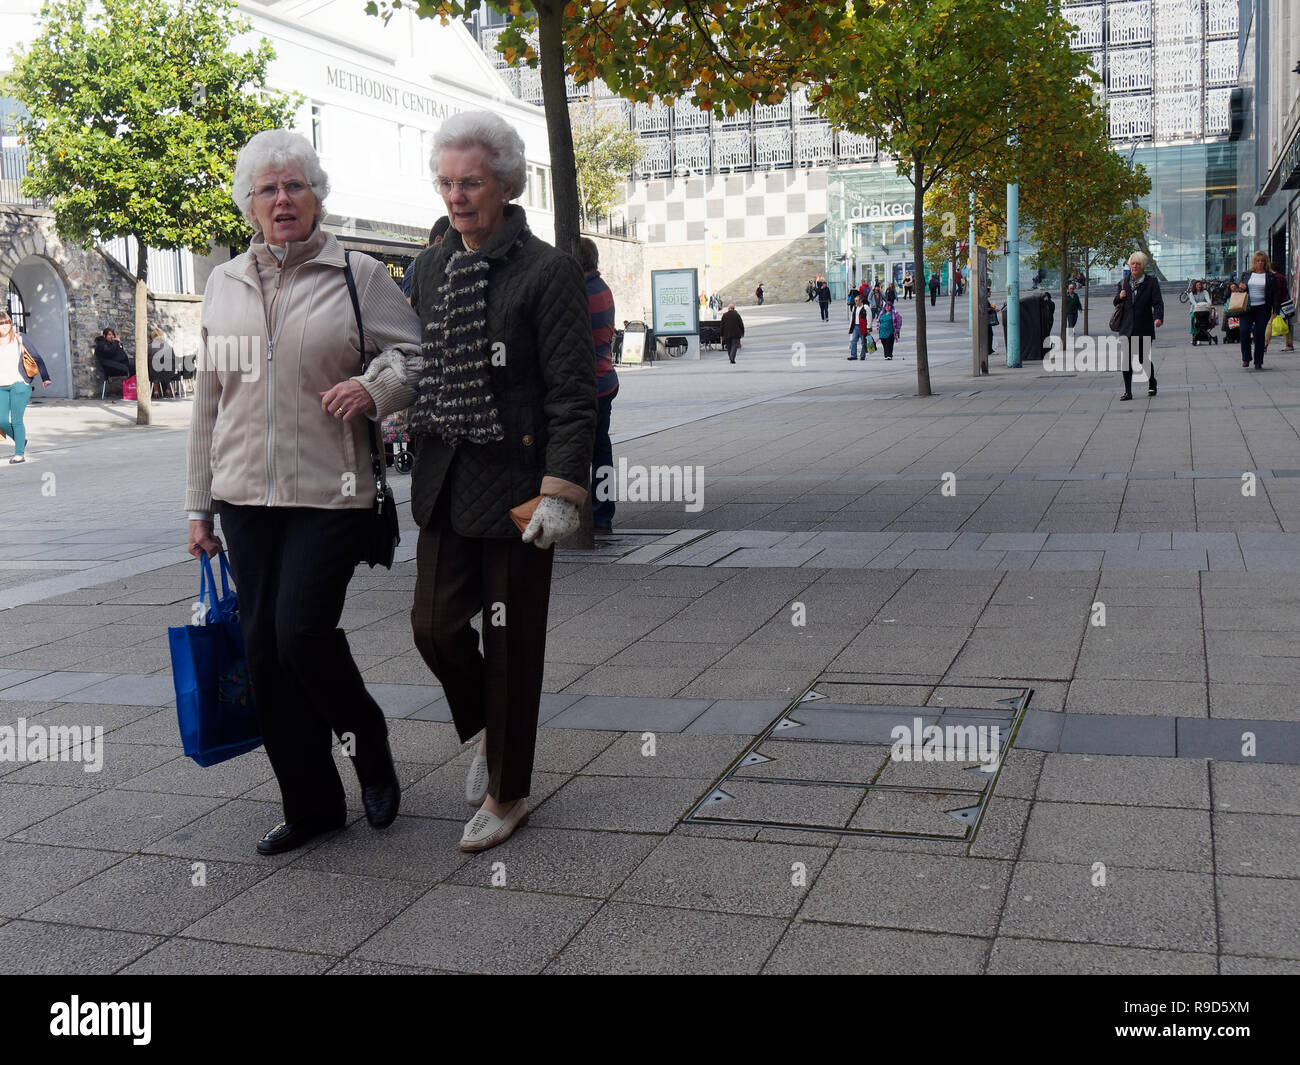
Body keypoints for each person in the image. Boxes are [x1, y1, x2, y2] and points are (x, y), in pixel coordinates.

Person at [358, 110, 595, 854]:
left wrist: (562, 488)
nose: (457, 195)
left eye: (472, 182)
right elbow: (417, 360)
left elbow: (571, 390)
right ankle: (490, 730)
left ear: (505, 184)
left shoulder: (547, 271)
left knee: (513, 643)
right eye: (448, 182)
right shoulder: (429, 266)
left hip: (521, 486)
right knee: (433, 627)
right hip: (445, 476)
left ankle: (508, 790)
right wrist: (381, 385)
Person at [185, 129, 422, 856]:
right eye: (268, 189)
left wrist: (373, 386)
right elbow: (207, 399)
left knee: (300, 634)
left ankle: (368, 743)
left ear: (316, 196)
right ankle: (313, 803)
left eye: (295, 186)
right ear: (249, 204)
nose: (282, 199)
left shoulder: (358, 274)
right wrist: (198, 504)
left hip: (331, 488)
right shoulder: (223, 283)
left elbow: (414, 355)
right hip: (244, 496)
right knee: (262, 653)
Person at [580, 238, 618, 534]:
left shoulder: (581, 293)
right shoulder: (602, 288)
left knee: (587, 450)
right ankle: (602, 512)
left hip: (590, 383)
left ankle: (597, 513)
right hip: (605, 379)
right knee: (601, 450)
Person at [0, 311, 52, 463]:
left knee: (16, 420)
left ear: (10, 323)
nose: (4, 327)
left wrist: (45, 377)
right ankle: (20, 440)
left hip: (19, 384)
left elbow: (36, 357)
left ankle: (19, 454)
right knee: (1, 420)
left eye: (7, 323)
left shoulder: (19, 338)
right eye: (1, 324)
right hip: (1, 386)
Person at [1112, 249, 1163, 399]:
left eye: (1138, 264)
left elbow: (1158, 303)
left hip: (1144, 326)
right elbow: (1115, 302)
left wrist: (1158, 318)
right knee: (1126, 360)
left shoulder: (1151, 282)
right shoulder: (1123, 282)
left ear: (1143, 266)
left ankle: (1152, 383)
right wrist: (1120, 297)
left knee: (1142, 359)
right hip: (1126, 327)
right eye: (1132, 263)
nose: (1134, 266)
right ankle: (1128, 391)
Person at [1240, 250, 1281, 370]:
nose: (1260, 263)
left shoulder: (1270, 276)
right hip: (1247, 308)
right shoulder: (1246, 274)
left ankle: (1258, 361)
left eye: (1262, 261)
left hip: (1262, 308)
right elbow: (1240, 288)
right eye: (1258, 261)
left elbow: (1275, 294)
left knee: (1259, 335)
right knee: (1244, 331)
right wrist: (1241, 287)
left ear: (1266, 262)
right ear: (1254, 262)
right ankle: (1246, 358)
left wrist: (1276, 310)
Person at [846, 294, 871, 361]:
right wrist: (850, 326)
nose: (855, 302)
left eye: (857, 301)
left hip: (863, 327)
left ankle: (862, 355)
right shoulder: (855, 307)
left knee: (863, 342)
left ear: (860, 300)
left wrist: (868, 327)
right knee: (853, 341)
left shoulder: (866, 307)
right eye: (855, 301)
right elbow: (852, 318)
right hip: (855, 326)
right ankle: (853, 355)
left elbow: (869, 318)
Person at [878, 295, 898, 360]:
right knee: (884, 343)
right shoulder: (881, 313)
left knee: (889, 343)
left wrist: (897, 329)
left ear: (891, 307)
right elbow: (878, 321)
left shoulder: (894, 313)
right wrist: (878, 328)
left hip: (890, 331)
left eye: (889, 306)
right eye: (886, 306)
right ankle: (886, 355)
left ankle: (889, 355)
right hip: (882, 331)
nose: (887, 307)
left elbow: (898, 321)